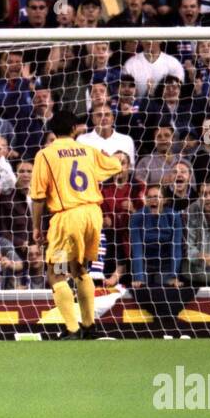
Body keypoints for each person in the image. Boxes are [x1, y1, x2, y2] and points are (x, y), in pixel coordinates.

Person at [29, 108, 123, 340]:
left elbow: (38, 197)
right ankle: (90, 326)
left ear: (53, 131)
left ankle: (72, 328)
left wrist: (36, 227)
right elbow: (116, 166)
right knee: (79, 268)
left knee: (56, 272)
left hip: (67, 217)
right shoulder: (88, 151)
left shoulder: (46, 155)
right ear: (74, 129)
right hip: (92, 215)